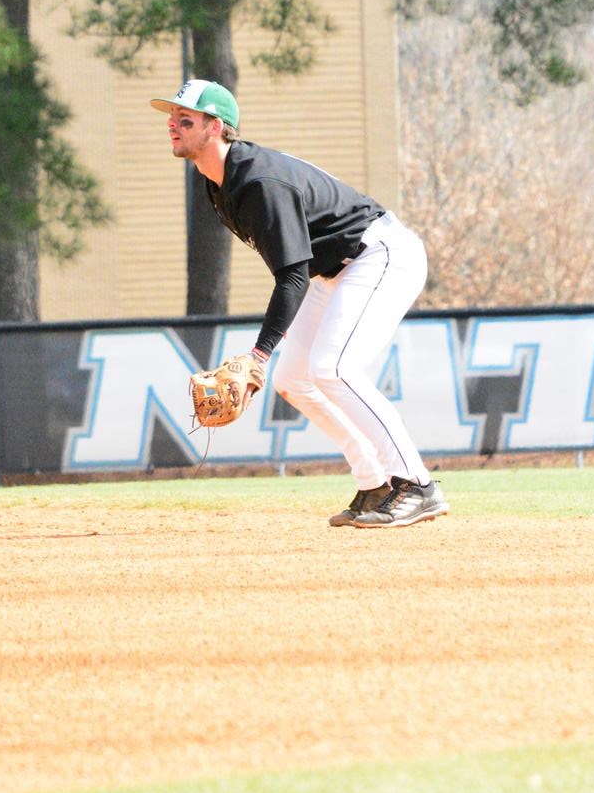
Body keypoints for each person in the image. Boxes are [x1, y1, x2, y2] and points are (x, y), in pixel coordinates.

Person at [151, 77, 447, 529]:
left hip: (379, 253)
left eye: (184, 118)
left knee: (334, 368)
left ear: (216, 127)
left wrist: (257, 355)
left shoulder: (258, 181)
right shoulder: (218, 182)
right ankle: (375, 484)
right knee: (294, 378)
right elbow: (299, 268)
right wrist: (269, 358)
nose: (172, 123)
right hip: (332, 271)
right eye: (172, 116)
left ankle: (417, 485)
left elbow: (290, 274)